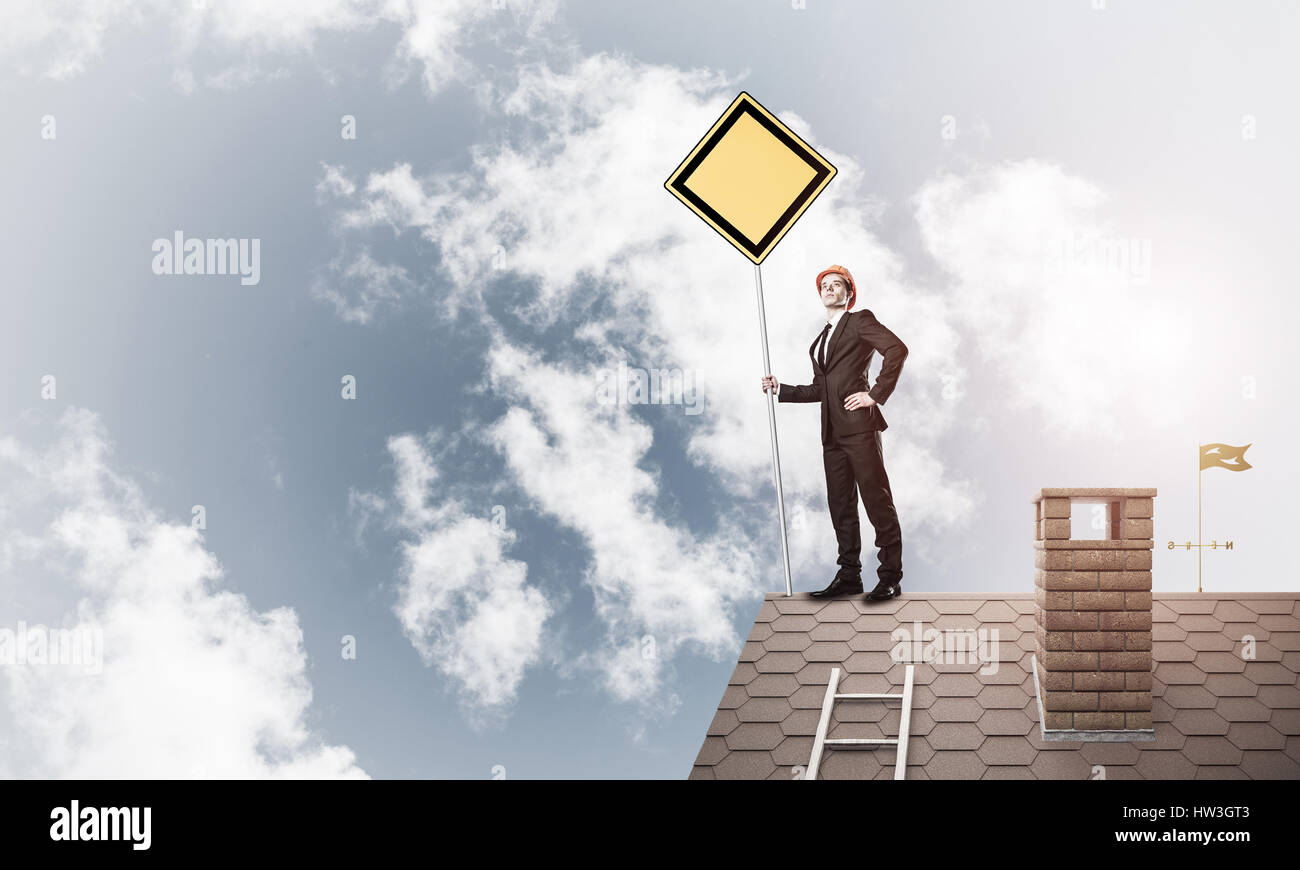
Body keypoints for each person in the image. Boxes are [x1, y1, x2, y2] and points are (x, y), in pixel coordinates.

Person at [760, 265, 908, 601]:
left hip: (859, 427)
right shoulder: (821, 340)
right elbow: (820, 389)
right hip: (831, 434)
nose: (829, 289)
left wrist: (875, 394)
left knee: (876, 500)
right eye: (824, 285)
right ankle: (849, 576)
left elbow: (897, 349)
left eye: (836, 284)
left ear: (849, 293)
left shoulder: (860, 321)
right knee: (840, 505)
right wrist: (781, 388)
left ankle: (889, 577)